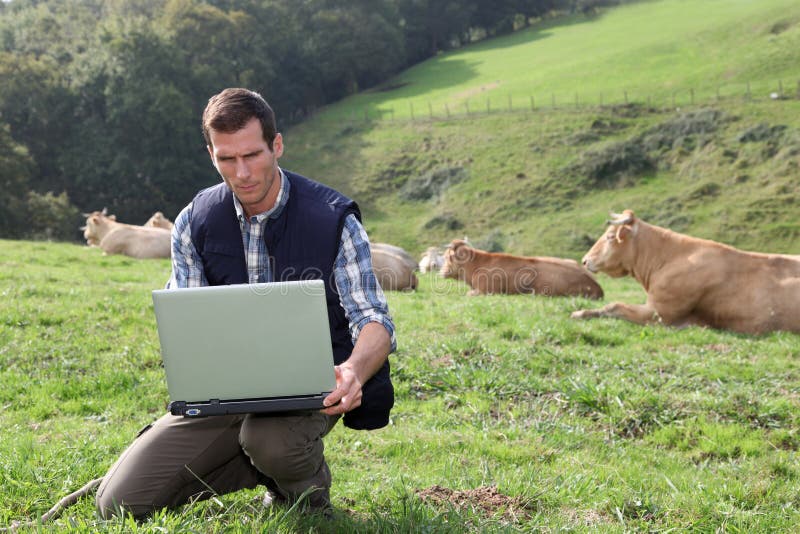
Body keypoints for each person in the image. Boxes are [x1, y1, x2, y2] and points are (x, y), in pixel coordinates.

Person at [95, 88, 395, 519]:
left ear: (276, 145)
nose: (242, 173)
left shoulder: (333, 219)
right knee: (118, 506)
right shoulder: (192, 221)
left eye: (252, 155)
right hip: (224, 394)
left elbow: (374, 321)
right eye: (226, 159)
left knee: (271, 442)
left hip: (312, 386)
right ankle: (259, 467)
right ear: (211, 155)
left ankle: (304, 496)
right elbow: (189, 325)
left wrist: (352, 371)